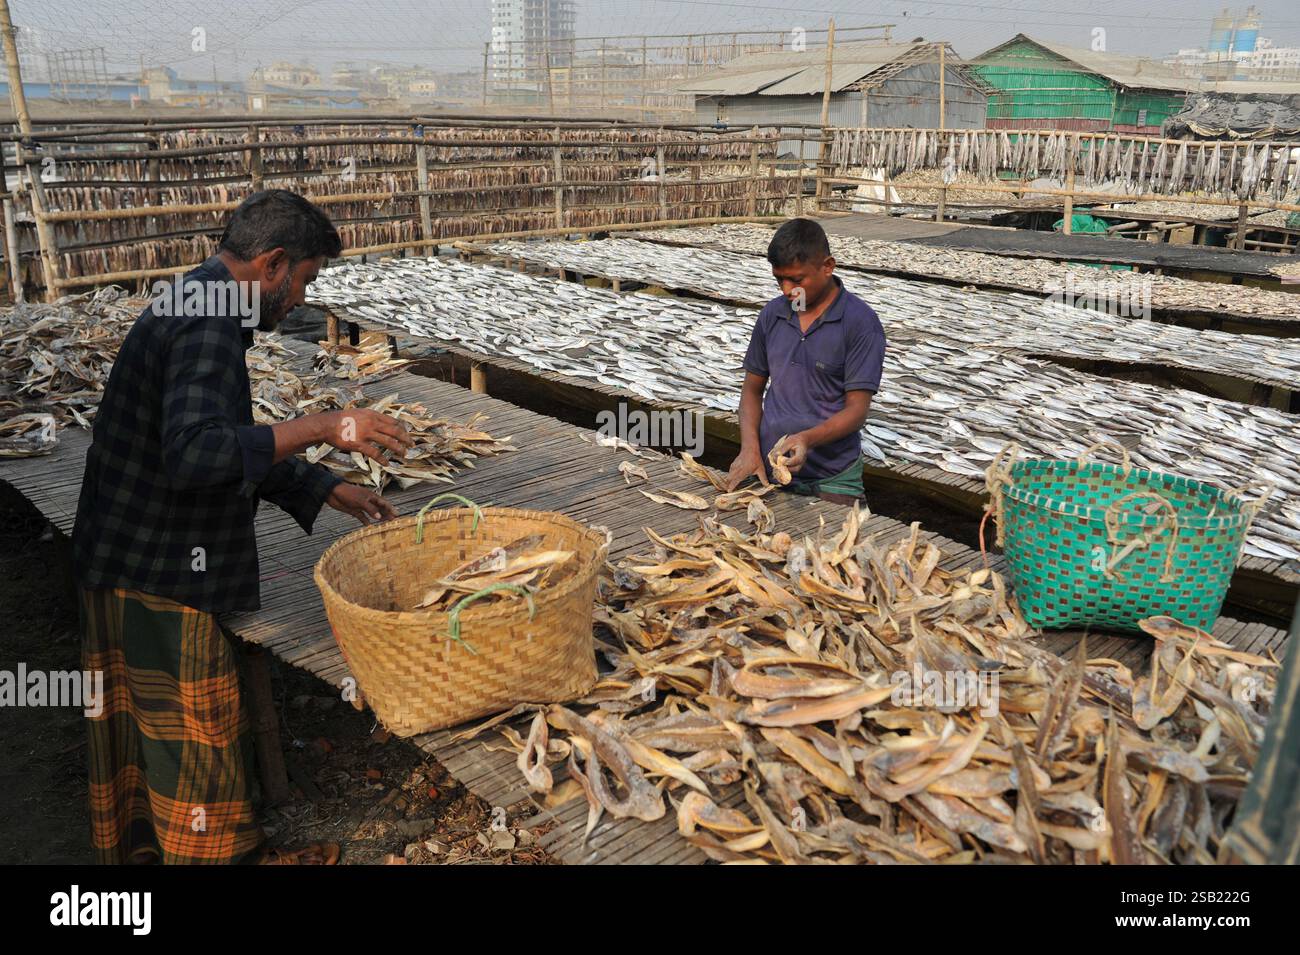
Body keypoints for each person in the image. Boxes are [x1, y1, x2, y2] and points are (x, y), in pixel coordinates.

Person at [71, 190, 412, 865]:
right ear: (273, 263)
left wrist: (323, 486)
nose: (298, 300)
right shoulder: (205, 324)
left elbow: (226, 438)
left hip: (128, 548)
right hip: (157, 565)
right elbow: (198, 454)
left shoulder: (200, 299)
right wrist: (322, 426)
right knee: (196, 733)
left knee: (161, 737)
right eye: (303, 281)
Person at [724, 218, 886, 504]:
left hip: (832, 477)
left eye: (796, 280)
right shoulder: (772, 316)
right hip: (768, 470)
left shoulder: (860, 323)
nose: (787, 290)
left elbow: (857, 411)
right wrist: (749, 448)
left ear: (827, 267)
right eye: (779, 279)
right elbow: (751, 391)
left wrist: (807, 439)